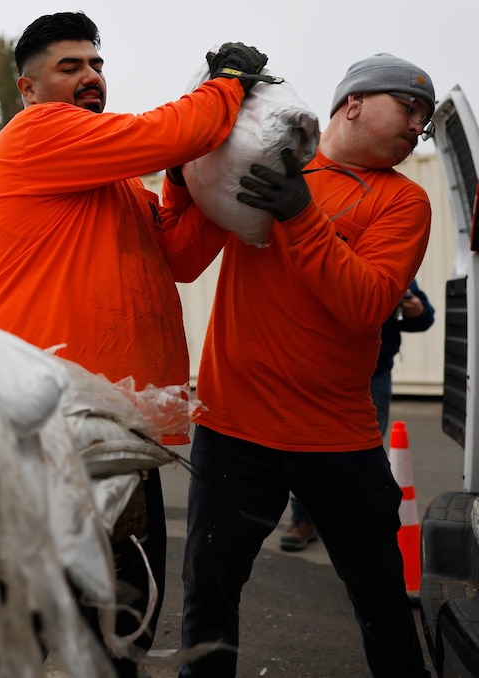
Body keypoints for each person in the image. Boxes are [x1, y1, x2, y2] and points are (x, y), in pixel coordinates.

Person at [0, 10, 272, 677]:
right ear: (29, 87)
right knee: (22, 604)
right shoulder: (36, 133)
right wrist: (229, 84)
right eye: (71, 66)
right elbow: (168, 130)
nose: (92, 77)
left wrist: (187, 184)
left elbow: (177, 257)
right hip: (46, 420)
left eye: (97, 64)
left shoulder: (118, 179)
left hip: (115, 426)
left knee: (121, 609)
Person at [178, 53, 436, 677]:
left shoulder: (404, 203)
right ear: (354, 103)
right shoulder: (269, 161)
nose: (416, 127)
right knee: (208, 605)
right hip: (234, 429)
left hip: (336, 437)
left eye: (425, 121)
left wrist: (300, 215)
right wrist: (187, 165)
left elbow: (366, 304)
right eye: (409, 108)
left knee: (382, 604)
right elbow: (182, 257)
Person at [281, 279, 436, 552]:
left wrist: (417, 309)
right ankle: (304, 519)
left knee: (362, 455)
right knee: (307, 448)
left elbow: (423, 316)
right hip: (317, 372)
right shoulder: (318, 253)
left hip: (373, 375)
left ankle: (355, 528)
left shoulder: (383, 256)